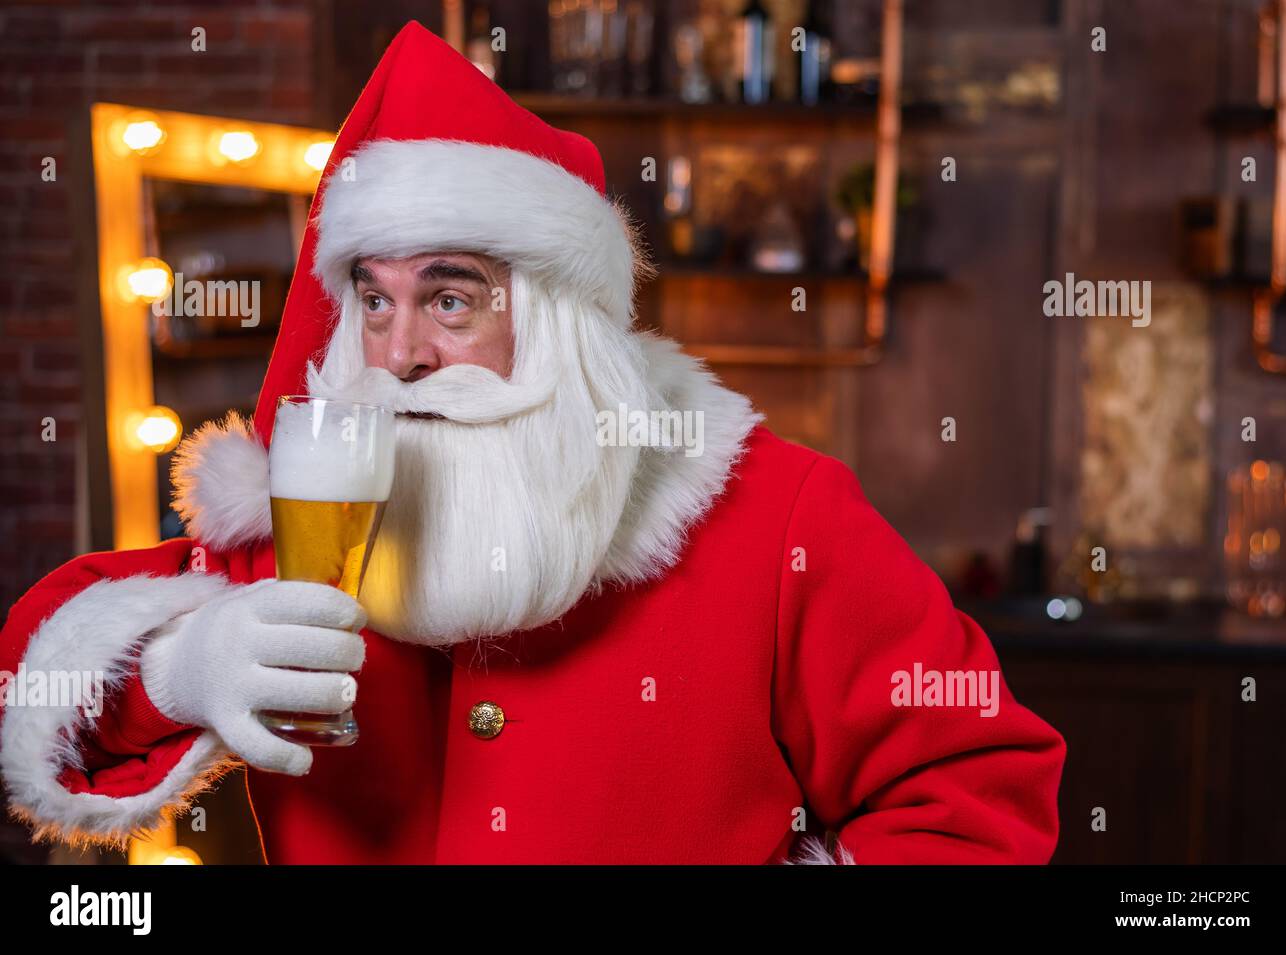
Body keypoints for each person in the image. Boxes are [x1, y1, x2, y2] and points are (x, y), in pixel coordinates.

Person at [0, 22, 1065, 864]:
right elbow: (31, 681)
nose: (401, 350)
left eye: (451, 298)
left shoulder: (780, 514)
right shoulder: (314, 518)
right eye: (373, 301)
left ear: (552, 316)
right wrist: (180, 666)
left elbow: (977, 788)